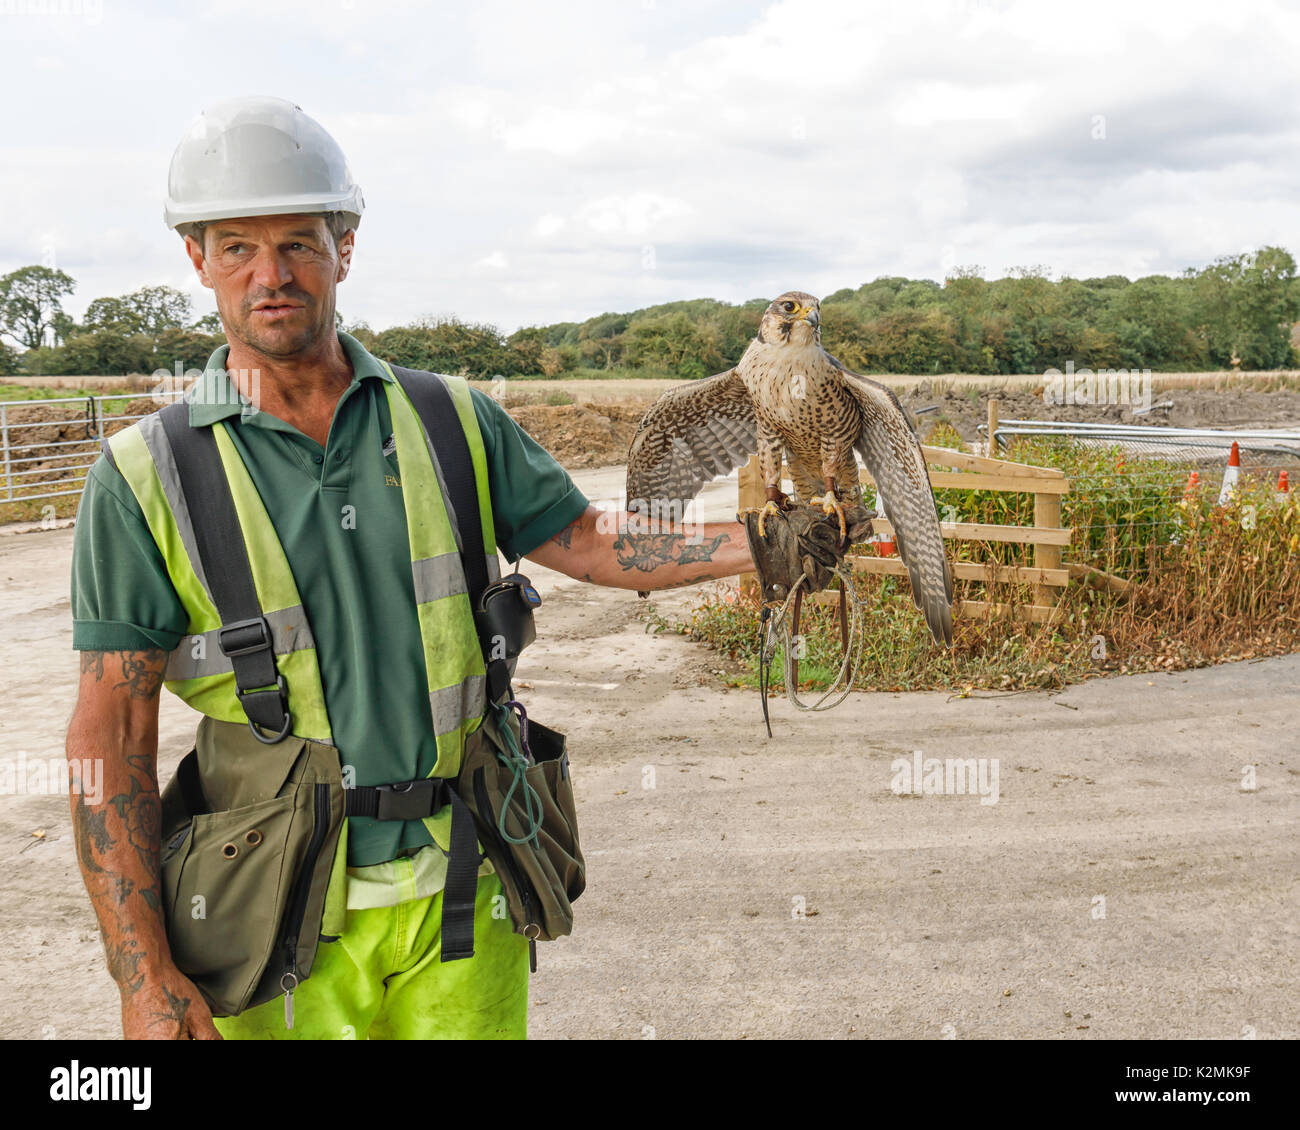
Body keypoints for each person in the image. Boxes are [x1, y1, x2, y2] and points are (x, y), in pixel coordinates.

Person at [65, 96, 753, 1040]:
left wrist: (759, 542)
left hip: (466, 892)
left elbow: (590, 540)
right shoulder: (147, 475)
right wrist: (140, 978)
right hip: (268, 923)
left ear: (345, 245)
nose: (271, 275)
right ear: (198, 259)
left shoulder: (450, 418)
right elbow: (112, 735)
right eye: (236, 248)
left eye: (300, 243)